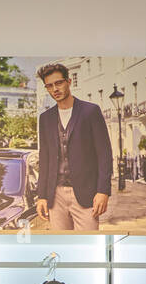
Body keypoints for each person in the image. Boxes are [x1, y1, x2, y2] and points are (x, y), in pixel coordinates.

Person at [34, 62, 112, 230]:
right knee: (62, 247)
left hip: (85, 194)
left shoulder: (90, 111)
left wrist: (103, 191)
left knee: (89, 246)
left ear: (68, 82)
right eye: (49, 85)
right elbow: (45, 158)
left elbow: (104, 154)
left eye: (58, 83)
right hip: (56, 195)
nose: (55, 89)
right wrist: (42, 196)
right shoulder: (45, 118)